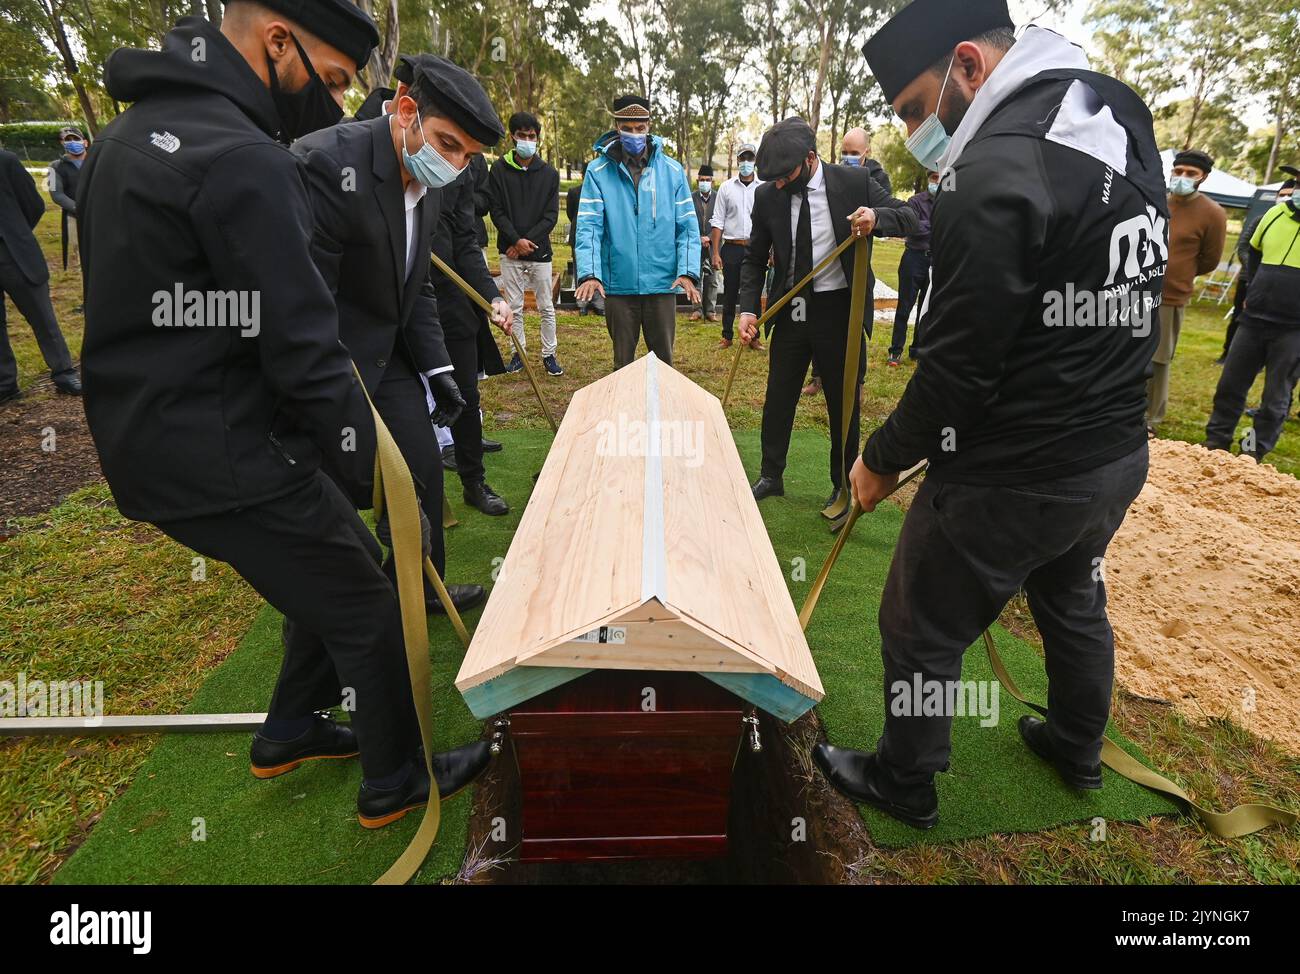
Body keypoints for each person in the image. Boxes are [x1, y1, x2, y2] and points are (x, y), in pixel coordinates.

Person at [77, 2, 489, 829]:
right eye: (334, 81)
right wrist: (374, 466)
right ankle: (396, 782)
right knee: (370, 599)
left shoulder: (134, 133)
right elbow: (302, 341)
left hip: (152, 432)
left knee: (325, 572)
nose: (337, 105)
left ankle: (290, 730)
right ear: (276, 42)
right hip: (228, 446)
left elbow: (180, 306)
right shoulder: (246, 160)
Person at [813, 1, 1168, 830]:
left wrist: (879, 459)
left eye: (912, 107)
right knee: (1073, 594)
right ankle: (1078, 744)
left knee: (920, 619)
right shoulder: (1114, 117)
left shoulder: (993, 168)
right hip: (1113, 455)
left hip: (1015, 470)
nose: (912, 132)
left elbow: (957, 371)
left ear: (969, 66)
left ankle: (905, 780)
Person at [738, 117, 918, 510]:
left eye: (785, 176)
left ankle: (841, 483)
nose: (779, 184)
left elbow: (908, 215)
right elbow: (753, 259)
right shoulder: (769, 196)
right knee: (779, 393)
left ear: (810, 158)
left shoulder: (853, 183)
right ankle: (771, 475)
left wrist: (876, 218)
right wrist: (748, 310)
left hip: (840, 310)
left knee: (842, 399)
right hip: (791, 308)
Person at [575, 94, 700, 370]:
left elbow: (687, 226)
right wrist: (590, 273)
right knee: (623, 365)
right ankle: (625, 413)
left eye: (640, 128)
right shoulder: (598, 172)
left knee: (664, 363)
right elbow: (589, 226)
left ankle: (662, 412)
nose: (634, 134)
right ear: (617, 127)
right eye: (627, 128)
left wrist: (688, 271)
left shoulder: (673, 171)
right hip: (619, 286)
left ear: (649, 126)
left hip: (662, 283)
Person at [1204, 187, 1300, 462]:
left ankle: (1252, 451)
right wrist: (1255, 287)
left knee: (1274, 399)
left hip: (1294, 329)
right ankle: (1217, 443)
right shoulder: (1273, 214)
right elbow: (1253, 250)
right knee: (1230, 387)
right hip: (1254, 320)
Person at [1145, 148, 1226, 433]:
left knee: (1159, 358)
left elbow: (1210, 259)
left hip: (1171, 295)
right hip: (1141, 290)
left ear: (1202, 177)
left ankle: (1151, 418)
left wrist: (1180, 273)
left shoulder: (1212, 213)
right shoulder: (1158, 201)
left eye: (1190, 173)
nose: (1182, 177)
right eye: (1178, 171)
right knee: (1131, 351)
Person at [0, 147, 81, 403]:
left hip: (14, 253)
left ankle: (63, 372)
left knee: (42, 316)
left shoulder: (6, 160)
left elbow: (33, 204)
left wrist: (16, 232)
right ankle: (5, 384)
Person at [489, 111, 561, 376]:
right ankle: (517, 353)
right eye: (522, 135)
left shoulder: (549, 174)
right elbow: (496, 211)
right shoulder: (498, 170)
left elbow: (551, 216)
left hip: (539, 253)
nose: (527, 140)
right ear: (512, 137)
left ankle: (549, 354)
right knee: (515, 307)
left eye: (532, 136)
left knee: (546, 307)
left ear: (538, 139)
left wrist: (525, 242)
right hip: (509, 252)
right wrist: (514, 241)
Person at [1220, 178, 1294, 363]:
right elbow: (1245, 247)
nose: (1285, 199)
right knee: (1239, 317)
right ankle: (1227, 353)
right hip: (1249, 278)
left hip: (1276, 285)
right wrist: (1256, 269)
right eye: (1281, 195)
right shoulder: (1263, 219)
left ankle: (1260, 359)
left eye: (1289, 195)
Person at [710, 141, 761, 349]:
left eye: (750, 158)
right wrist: (715, 252)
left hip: (755, 248)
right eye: (743, 158)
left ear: (755, 161)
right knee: (729, 293)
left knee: (755, 294)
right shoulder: (726, 188)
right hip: (731, 247)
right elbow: (717, 221)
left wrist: (771, 249)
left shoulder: (763, 187)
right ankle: (727, 336)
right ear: (737, 160)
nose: (746, 162)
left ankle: (754, 338)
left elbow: (768, 222)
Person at [887, 170, 938, 365]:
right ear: (928, 179)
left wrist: (927, 225)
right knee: (904, 306)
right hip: (913, 258)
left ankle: (917, 349)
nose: (937, 181)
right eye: (934, 177)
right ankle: (895, 350)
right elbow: (912, 226)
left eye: (941, 178)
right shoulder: (915, 201)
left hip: (934, 261)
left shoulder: (947, 202)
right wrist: (935, 224)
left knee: (926, 309)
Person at [47, 127, 88, 272]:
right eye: (68, 140)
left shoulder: (97, 161)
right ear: (62, 143)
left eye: (76, 139)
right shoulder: (53, 167)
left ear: (85, 142)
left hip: (101, 215)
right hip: (74, 217)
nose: (72, 142)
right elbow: (56, 194)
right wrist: (80, 209)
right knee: (82, 259)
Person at [566, 161, 604, 316]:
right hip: (579, 236)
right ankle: (582, 302)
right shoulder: (574, 192)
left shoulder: (601, 191)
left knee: (597, 269)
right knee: (580, 269)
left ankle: (598, 302)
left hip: (597, 237)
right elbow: (570, 213)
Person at [690, 164, 719, 322]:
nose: (705, 182)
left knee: (712, 279)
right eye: (702, 180)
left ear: (712, 182)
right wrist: (699, 238)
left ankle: (711, 311)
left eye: (708, 180)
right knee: (696, 278)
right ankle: (697, 310)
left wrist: (709, 237)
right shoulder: (691, 197)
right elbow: (687, 220)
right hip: (696, 244)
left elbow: (722, 221)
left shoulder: (718, 197)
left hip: (713, 245)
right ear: (697, 180)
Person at [839, 126, 892, 194]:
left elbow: (885, 203)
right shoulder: (837, 175)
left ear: (867, 152)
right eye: (845, 153)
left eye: (854, 153)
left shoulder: (880, 179)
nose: (848, 158)